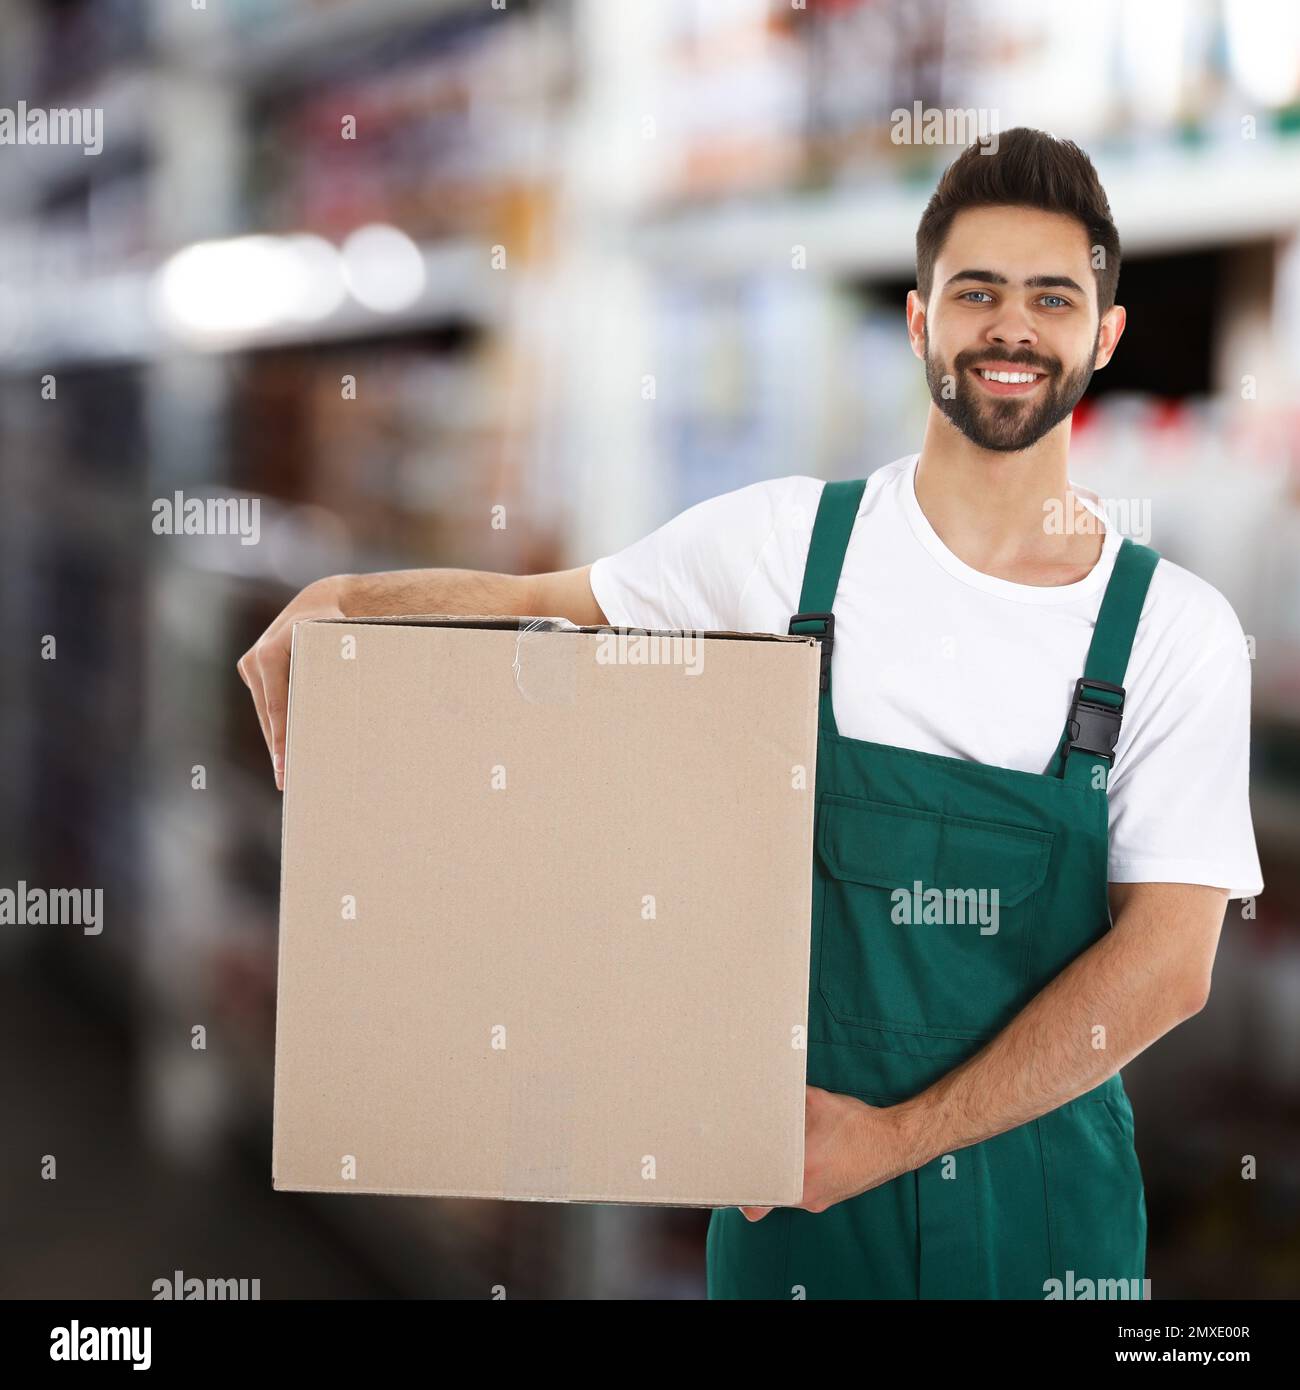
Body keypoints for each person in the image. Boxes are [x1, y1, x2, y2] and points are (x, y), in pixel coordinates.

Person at [238, 127, 1263, 1299]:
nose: (1011, 328)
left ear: (1104, 334)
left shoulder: (1172, 630)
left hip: (1044, 1222)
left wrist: (893, 1137)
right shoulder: (780, 551)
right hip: (791, 1209)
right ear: (922, 320)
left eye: (1051, 297)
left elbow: (1167, 968)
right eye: (975, 293)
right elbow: (542, 614)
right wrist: (352, 600)